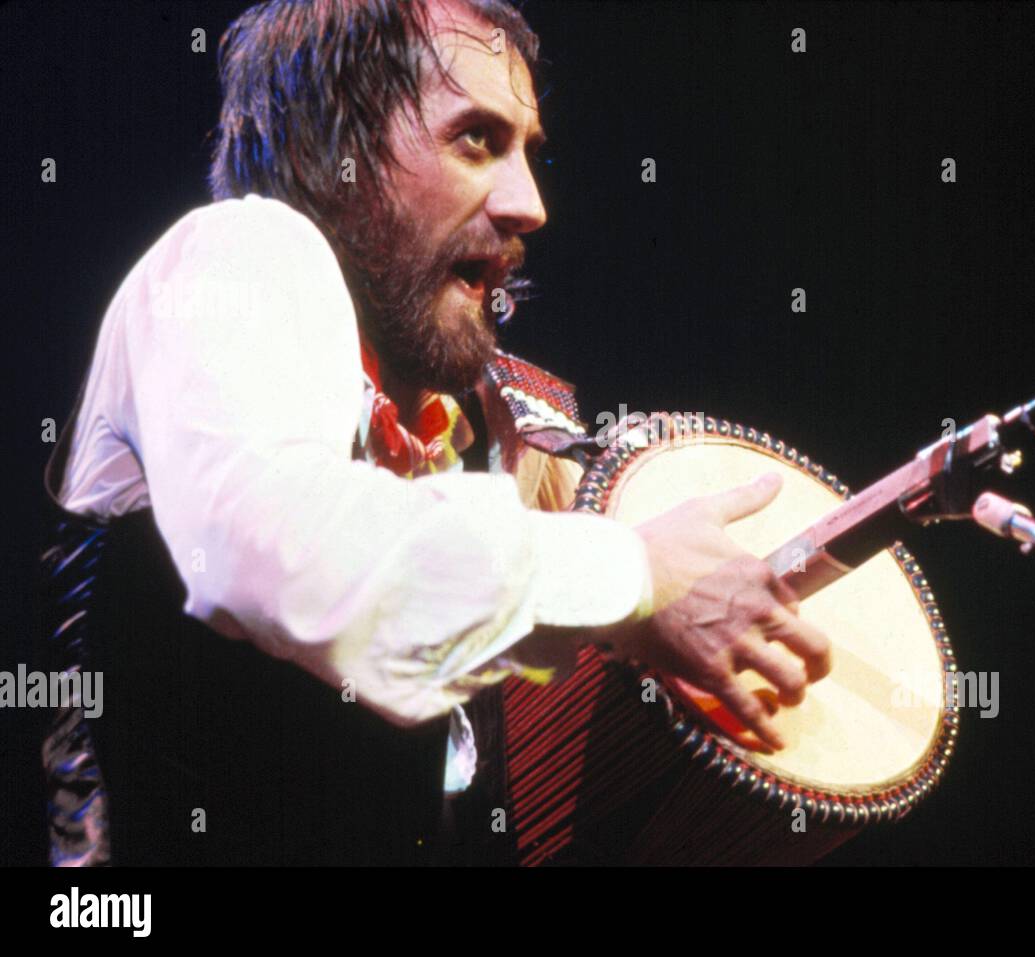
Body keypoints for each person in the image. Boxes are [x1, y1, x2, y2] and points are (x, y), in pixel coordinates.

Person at [39, 0, 830, 866]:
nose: (530, 204)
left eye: (529, 150)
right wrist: (635, 573)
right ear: (327, 153)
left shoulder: (491, 425)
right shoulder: (238, 254)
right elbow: (269, 548)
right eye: (477, 141)